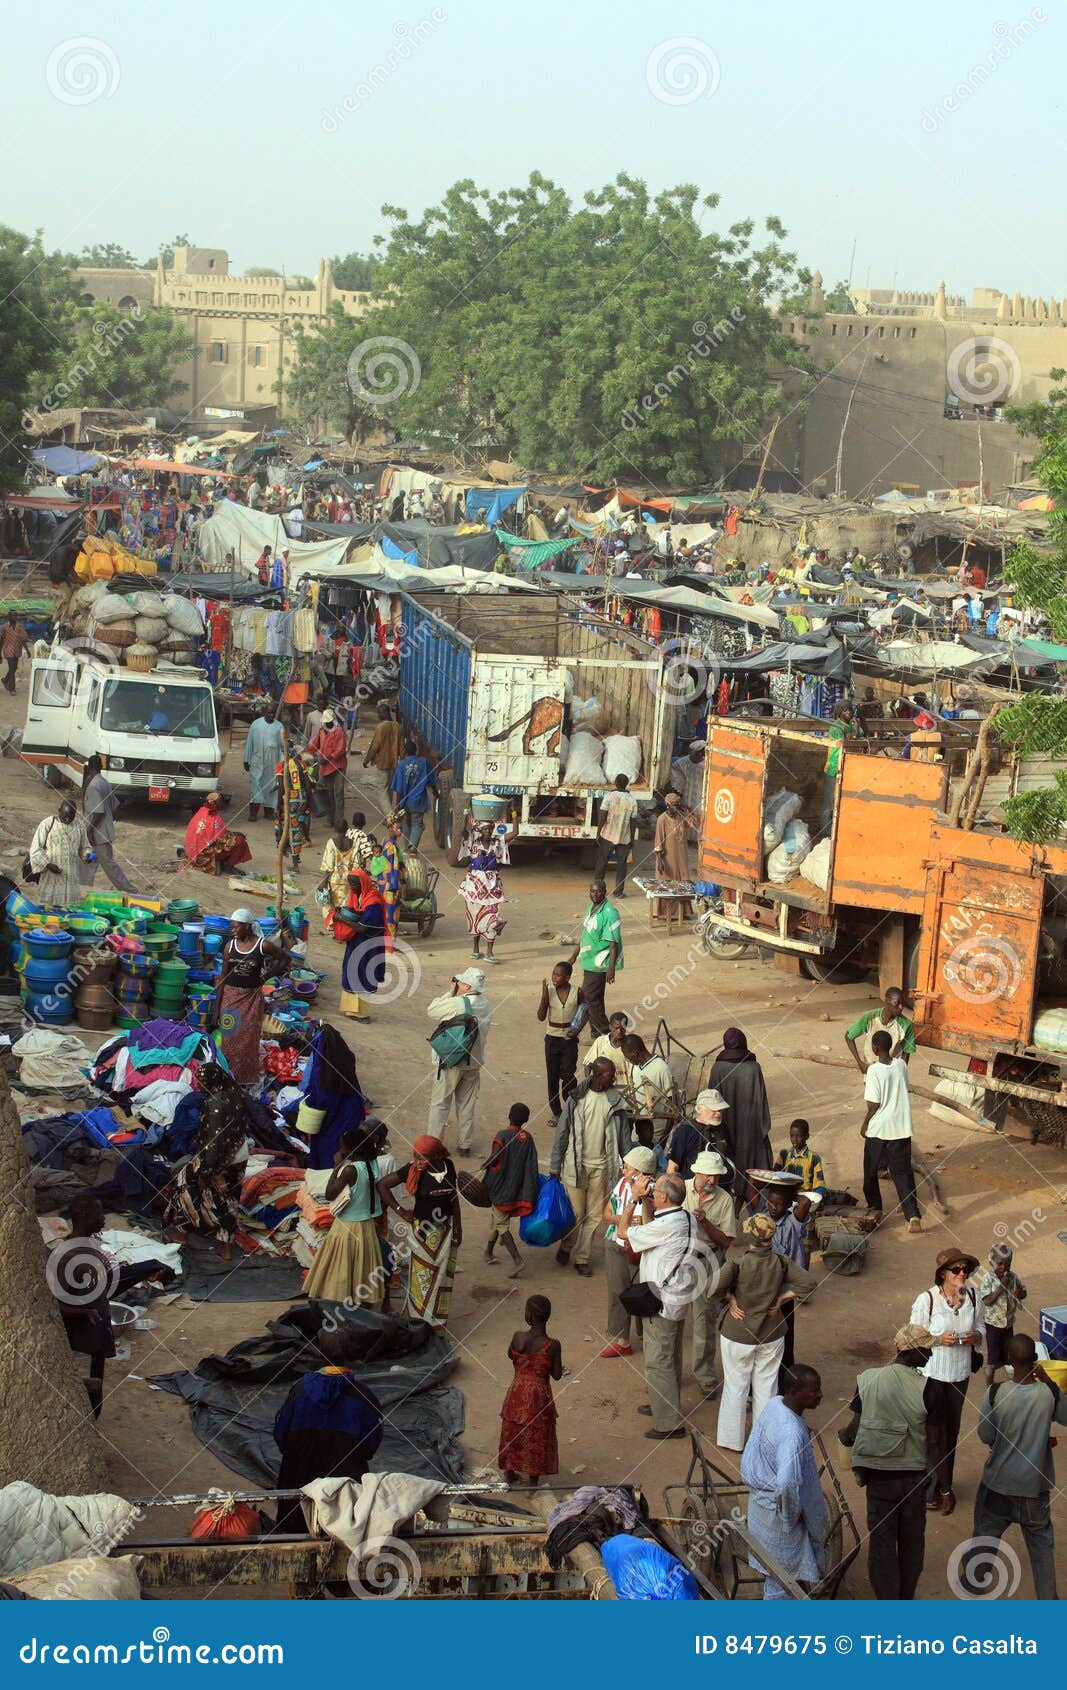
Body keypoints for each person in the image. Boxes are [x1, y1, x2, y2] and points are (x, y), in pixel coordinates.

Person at [837, 1323, 937, 1601]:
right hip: (913, 1480)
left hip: (880, 1480)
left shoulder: (868, 1379)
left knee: (882, 1544)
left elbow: (853, 1429)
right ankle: (905, 1599)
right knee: (911, 1543)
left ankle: (886, 1601)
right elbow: (935, 1438)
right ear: (912, 1351)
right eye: (926, 1349)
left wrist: (843, 1439)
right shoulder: (927, 1387)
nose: (930, 1354)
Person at [963, 1333, 1067, 1600]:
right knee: (1042, 1554)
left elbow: (986, 1435)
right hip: (1034, 1491)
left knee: (984, 1541)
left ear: (1009, 1360)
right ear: (1035, 1360)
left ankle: (973, 1587)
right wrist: (1050, 1383)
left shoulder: (995, 1392)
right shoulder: (1047, 1395)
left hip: (997, 1487)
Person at [617, 1171, 709, 1440]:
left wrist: (633, 1200)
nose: (652, 1193)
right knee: (671, 1355)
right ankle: (663, 1402)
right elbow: (649, 1232)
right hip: (676, 1297)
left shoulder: (667, 1225)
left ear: (665, 1198)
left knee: (658, 1361)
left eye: (655, 1193)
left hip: (661, 1302)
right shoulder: (685, 1217)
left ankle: (669, 1423)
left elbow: (624, 1233)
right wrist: (647, 1203)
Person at [716, 1214, 816, 1451]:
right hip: (771, 1334)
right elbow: (809, 1283)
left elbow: (712, 1287)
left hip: (738, 1334)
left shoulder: (737, 1263)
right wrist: (783, 1298)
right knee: (767, 1388)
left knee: (735, 1388)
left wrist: (730, 1299)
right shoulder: (781, 1262)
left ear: (749, 1236)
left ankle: (732, 1441)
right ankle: (764, 1441)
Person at [273, 1326, 384, 1533]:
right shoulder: (364, 1396)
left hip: (298, 1477)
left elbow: (281, 1434)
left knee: (293, 1529)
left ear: (320, 1353)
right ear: (348, 1356)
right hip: (345, 1484)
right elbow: (371, 1444)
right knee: (343, 1531)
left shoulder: (299, 1390)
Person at [741, 1367, 827, 1600]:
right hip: (778, 1518)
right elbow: (787, 1484)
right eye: (814, 1391)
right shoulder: (791, 1434)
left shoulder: (775, 1404)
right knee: (782, 1579)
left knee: (778, 1573)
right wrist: (791, 1518)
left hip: (762, 1506)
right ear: (794, 1391)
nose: (820, 1395)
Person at [909, 1246, 982, 1515]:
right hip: (932, 1376)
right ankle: (936, 1490)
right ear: (943, 1274)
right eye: (956, 1270)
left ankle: (943, 1486)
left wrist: (977, 1336)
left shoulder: (973, 1296)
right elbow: (912, 1337)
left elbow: (982, 1327)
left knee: (950, 1433)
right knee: (932, 1435)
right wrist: (939, 1340)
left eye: (965, 1269)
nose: (962, 1274)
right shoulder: (926, 1300)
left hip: (959, 1376)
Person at [550, 1057, 634, 1277]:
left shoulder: (616, 1102)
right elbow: (562, 1133)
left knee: (595, 1216)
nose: (613, 1077)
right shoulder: (576, 1099)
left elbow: (624, 1139)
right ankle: (567, 1246)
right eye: (610, 1074)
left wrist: (629, 1166)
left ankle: (582, 1258)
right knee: (577, 1214)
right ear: (597, 1075)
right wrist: (554, 1166)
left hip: (603, 1167)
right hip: (575, 1165)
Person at [163, 1064, 250, 1261]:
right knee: (229, 1200)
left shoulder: (214, 1103)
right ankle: (225, 1247)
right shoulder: (236, 1094)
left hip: (217, 1157)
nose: (199, 1085)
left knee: (185, 1186)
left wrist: (205, 1172)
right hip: (240, 1154)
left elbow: (213, 1142)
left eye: (202, 1081)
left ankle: (181, 1233)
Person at [378, 1135, 461, 1329]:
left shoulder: (448, 1166)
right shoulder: (413, 1170)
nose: (418, 1162)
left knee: (442, 1278)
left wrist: (459, 1228)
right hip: (422, 1233)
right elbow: (382, 1185)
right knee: (422, 1279)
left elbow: (453, 1199)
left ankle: (437, 1324)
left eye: (422, 1158)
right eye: (416, 1157)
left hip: (445, 1231)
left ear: (436, 1156)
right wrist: (400, 1210)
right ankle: (419, 1323)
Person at [303, 1125, 384, 1305]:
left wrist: (337, 1165)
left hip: (347, 1226)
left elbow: (329, 1194)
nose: (341, 1150)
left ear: (351, 1149)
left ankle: (339, 1300)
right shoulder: (372, 1163)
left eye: (343, 1147)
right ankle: (360, 1300)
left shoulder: (350, 1170)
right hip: (366, 1224)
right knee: (362, 1266)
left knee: (341, 1267)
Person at [211, 909, 294, 1083]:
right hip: (230, 997)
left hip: (251, 999)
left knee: (248, 1039)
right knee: (229, 1037)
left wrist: (265, 977)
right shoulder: (229, 947)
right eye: (231, 927)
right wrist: (216, 1009)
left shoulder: (262, 945)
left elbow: (285, 959)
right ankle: (228, 1076)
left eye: (236, 927)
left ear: (247, 927)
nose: (232, 930)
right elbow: (223, 979)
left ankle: (243, 1079)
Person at [426, 966, 493, 1155]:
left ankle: (433, 1144)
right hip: (474, 1061)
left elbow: (432, 1010)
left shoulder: (458, 1003)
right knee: (467, 1103)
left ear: (465, 985)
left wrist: (450, 992)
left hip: (451, 1061)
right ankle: (465, 1144)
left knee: (440, 1103)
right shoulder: (486, 1004)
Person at [685, 1150, 736, 1400]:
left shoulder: (725, 1200)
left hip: (709, 1262)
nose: (713, 1181)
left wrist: (706, 1224)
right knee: (672, 1319)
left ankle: (705, 1377)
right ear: (697, 1173)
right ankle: (672, 1373)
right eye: (709, 1176)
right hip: (681, 1261)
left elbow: (726, 1241)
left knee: (705, 1322)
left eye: (717, 1176)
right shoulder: (679, 1189)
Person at [600, 1143, 658, 1358]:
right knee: (617, 1291)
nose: (623, 1171)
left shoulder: (656, 1193)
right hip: (616, 1243)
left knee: (643, 1292)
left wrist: (635, 1217)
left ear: (641, 1173)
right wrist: (625, 1218)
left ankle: (647, 1337)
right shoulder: (623, 1184)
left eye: (627, 1167)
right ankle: (623, 1339)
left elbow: (651, 1226)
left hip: (641, 1250)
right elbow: (606, 1215)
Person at [861, 1028, 922, 1232]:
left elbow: (873, 1104)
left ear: (875, 1048)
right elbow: (903, 1060)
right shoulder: (901, 1065)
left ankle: (874, 1208)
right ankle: (912, 1216)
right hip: (901, 1127)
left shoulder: (874, 1070)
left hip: (879, 1128)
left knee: (870, 1171)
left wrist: (865, 1123)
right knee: (902, 1173)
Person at [498, 1295, 562, 1485]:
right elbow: (557, 1375)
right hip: (538, 1395)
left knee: (512, 1430)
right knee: (536, 1434)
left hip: (516, 1390)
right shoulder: (553, 1345)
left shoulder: (518, 1337)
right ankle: (533, 1480)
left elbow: (511, 1355)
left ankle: (509, 1473)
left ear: (528, 1314)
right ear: (548, 1315)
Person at [297, 1022, 366, 1171]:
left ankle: (325, 1179)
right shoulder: (345, 1056)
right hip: (351, 1110)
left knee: (327, 1152)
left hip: (333, 1119)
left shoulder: (323, 1076)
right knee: (344, 1150)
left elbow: (318, 1101)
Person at [483, 1103, 540, 1277]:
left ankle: (518, 1260)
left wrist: (484, 1164)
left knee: (501, 1224)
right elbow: (531, 1165)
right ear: (526, 1120)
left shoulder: (503, 1135)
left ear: (509, 1115)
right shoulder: (527, 1138)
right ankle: (488, 1252)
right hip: (517, 1187)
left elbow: (495, 1157)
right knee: (496, 1219)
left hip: (501, 1188)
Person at [709, 1028, 772, 1174]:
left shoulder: (717, 1069)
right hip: (751, 1131)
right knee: (753, 1176)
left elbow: (711, 1102)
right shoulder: (754, 1068)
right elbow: (762, 1103)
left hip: (725, 1129)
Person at [567, 879, 623, 1037]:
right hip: (589, 960)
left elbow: (614, 943)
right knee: (595, 999)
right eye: (593, 891)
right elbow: (585, 935)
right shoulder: (591, 908)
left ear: (605, 891)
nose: (595, 894)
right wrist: (573, 956)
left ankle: (607, 1034)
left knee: (588, 996)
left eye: (599, 891)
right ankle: (596, 1034)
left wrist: (611, 969)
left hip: (600, 963)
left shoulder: (609, 912)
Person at [460, 821, 515, 963]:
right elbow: (463, 831)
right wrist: (466, 812)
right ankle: (476, 949)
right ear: (480, 830)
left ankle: (490, 953)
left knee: (492, 916)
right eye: (485, 828)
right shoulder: (473, 842)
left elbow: (515, 833)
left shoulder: (497, 843)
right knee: (474, 916)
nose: (488, 831)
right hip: (474, 885)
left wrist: (514, 812)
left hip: (492, 886)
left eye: (490, 828)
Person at [82, 754, 138, 892]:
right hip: (103, 830)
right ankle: (83, 888)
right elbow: (115, 805)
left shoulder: (94, 786)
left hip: (97, 832)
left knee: (108, 864)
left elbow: (98, 812)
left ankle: (130, 891)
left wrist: (90, 830)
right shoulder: (104, 782)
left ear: (89, 768)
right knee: (89, 861)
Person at [773, 1118, 826, 1261]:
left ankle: (805, 1277)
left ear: (807, 1136)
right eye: (792, 1136)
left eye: (799, 1136)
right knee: (784, 1241)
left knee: (805, 1244)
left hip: (804, 1204)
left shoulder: (813, 1158)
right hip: (785, 1204)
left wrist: (816, 1199)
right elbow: (774, 1176)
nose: (795, 1140)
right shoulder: (784, 1155)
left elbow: (819, 1184)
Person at [28, 798, 91, 907]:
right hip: (51, 877)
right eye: (65, 816)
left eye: (70, 817)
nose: (67, 819)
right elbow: (35, 850)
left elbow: (85, 847)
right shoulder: (47, 824)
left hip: (71, 878)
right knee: (48, 909)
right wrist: (47, 864)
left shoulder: (80, 826)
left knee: (69, 911)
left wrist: (87, 855)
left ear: (75, 815)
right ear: (59, 811)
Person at [980, 1244, 1028, 1384]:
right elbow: (988, 1301)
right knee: (993, 1358)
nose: (1004, 1268)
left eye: (1008, 1264)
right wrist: (1002, 1287)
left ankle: (1012, 1379)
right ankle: (989, 1385)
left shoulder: (1014, 1277)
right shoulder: (988, 1279)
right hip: (993, 1325)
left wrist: (1020, 1293)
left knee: (1009, 1355)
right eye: (1000, 1264)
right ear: (991, 1263)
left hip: (1008, 1324)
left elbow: (1023, 1292)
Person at [538, 961, 580, 1118]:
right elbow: (540, 1017)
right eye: (553, 974)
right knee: (552, 1076)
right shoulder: (549, 991)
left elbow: (585, 1009)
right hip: (552, 1039)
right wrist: (543, 998)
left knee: (568, 1074)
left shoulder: (577, 992)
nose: (554, 977)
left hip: (569, 1040)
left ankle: (570, 1104)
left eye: (558, 975)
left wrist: (578, 1029)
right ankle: (556, 1112)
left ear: (568, 977)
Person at [339, 866, 388, 999]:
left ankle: (361, 1013)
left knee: (364, 974)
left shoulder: (373, 901)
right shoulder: (357, 896)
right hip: (356, 943)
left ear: (363, 883)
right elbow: (355, 911)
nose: (352, 887)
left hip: (368, 945)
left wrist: (341, 918)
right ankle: (349, 1010)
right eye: (350, 884)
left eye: (355, 884)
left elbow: (362, 928)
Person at [667, 1088, 732, 1184]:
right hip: (691, 1190)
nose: (718, 1113)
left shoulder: (722, 1129)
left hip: (719, 1187)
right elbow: (672, 1168)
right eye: (713, 1109)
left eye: (720, 1109)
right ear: (699, 1109)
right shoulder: (685, 1131)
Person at [620, 1033, 674, 1146]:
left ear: (636, 1053)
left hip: (657, 1132)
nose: (627, 1059)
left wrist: (664, 1137)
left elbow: (672, 1104)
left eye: (628, 1056)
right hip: (640, 1128)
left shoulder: (661, 1068)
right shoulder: (635, 1067)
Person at [845, 987, 916, 1072]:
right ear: (887, 1001)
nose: (901, 1007)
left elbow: (907, 1052)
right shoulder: (869, 1017)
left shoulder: (906, 1025)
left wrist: (901, 1072)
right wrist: (860, 1063)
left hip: (891, 1070)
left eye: (903, 1004)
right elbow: (849, 1037)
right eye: (897, 1003)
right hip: (870, 1068)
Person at [182, 792, 253, 876]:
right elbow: (221, 838)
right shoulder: (212, 817)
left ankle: (221, 862)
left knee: (233, 838)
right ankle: (228, 866)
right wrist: (236, 835)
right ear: (218, 803)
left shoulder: (201, 811)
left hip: (193, 852)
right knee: (240, 841)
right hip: (204, 856)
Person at [593, 774, 638, 896]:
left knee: (602, 862)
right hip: (624, 837)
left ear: (615, 783)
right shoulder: (632, 800)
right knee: (621, 865)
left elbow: (602, 815)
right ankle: (618, 893)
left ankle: (597, 889)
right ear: (626, 784)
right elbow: (633, 822)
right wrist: (632, 839)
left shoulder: (609, 796)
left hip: (608, 834)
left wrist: (598, 832)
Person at [653, 792, 696, 917]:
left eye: (677, 805)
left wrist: (688, 808)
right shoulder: (662, 819)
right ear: (667, 804)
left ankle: (683, 913)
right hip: (667, 858)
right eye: (672, 805)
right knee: (668, 885)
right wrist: (660, 861)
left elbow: (695, 823)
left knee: (682, 883)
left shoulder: (681, 816)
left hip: (681, 858)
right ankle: (668, 914)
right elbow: (658, 841)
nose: (674, 808)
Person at [306, 708, 349, 831]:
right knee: (328, 794)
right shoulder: (321, 731)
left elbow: (340, 750)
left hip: (337, 767)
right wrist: (306, 752)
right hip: (326, 768)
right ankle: (330, 819)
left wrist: (328, 758)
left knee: (338, 794)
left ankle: (339, 821)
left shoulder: (339, 731)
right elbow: (314, 745)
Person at [389, 741, 438, 851]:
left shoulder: (401, 765)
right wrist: (435, 791)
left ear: (405, 751)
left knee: (406, 822)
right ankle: (412, 846)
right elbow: (432, 779)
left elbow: (399, 787)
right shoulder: (424, 762)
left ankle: (407, 847)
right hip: (419, 799)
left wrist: (397, 805)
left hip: (405, 800)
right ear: (416, 750)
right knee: (417, 823)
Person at [243, 703, 285, 821]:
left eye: (273, 713)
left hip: (273, 761)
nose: (271, 715)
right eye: (269, 712)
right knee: (255, 785)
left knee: (271, 786)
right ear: (264, 712)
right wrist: (246, 760)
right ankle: (253, 813)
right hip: (257, 760)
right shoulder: (256, 725)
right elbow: (249, 743)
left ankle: (268, 812)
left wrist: (282, 763)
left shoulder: (279, 726)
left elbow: (282, 746)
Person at [362, 705, 404, 821]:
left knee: (382, 790)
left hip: (383, 763)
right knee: (389, 789)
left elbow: (375, 746)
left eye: (379, 713)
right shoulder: (398, 727)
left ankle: (390, 816)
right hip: (394, 763)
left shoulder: (381, 727)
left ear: (384, 713)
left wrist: (367, 760)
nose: (378, 716)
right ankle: (387, 818)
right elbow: (402, 748)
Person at [275, 748, 313, 870]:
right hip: (302, 797)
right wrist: (309, 802)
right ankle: (289, 848)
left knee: (284, 825)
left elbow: (281, 787)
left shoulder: (281, 765)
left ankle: (292, 858)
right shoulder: (300, 763)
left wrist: (278, 805)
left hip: (291, 799)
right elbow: (307, 784)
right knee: (295, 825)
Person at [376, 814, 406, 948]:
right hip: (390, 885)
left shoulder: (388, 843)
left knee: (390, 912)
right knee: (391, 913)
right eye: (398, 828)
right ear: (391, 829)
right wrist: (395, 885)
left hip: (386, 883)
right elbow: (392, 867)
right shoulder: (390, 846)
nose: (401, 831)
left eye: (401, 828)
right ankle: (389, 944)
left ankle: (388, 942)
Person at [317, 822, 352, 929]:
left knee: (328, 904)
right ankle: (342, 928)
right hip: (348, 881)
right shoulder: (353, 843)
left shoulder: (331, 843)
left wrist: (323, 881)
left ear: (335, 829)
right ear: (347, 829)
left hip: (334, 880)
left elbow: (329, 865)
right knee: (344, 906)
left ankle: (333, 926)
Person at [584, 1011, 633, 1087]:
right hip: (605, 1088)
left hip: (627, 1089)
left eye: (622, 1028)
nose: (619, 1031)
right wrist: (589, 1081)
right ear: (610, 1027)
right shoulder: (600, 1041)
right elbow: (587, 1064)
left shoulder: (630, 1044)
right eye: (616, 1028)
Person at [1, 610, 29, 693]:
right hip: (8, 650)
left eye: (16, 616)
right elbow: (1, 640)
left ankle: (5, 680)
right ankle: (12, 688)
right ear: (9, 617)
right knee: (12, 668)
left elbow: (23, 639)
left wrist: (27, 650)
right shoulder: (5, 627)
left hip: (17, 651)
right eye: (13, 616)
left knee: (14, 668)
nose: (15, 617)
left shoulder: (20, 626)